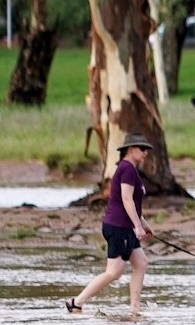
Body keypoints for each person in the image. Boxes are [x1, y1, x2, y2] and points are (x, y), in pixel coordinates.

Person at [67, 133, 156, 315]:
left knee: (141, 262)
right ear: (130, 149)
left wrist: (143, 224)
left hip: (125, 226)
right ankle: (76, 302)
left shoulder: (129, 169)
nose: (146, 153)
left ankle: (134, 310)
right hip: (118, 227)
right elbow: (125, 199)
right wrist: (137, 226)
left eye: (146, 149)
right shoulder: (127, 169)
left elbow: (132, 204)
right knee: (114, 272)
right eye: (142, 149)